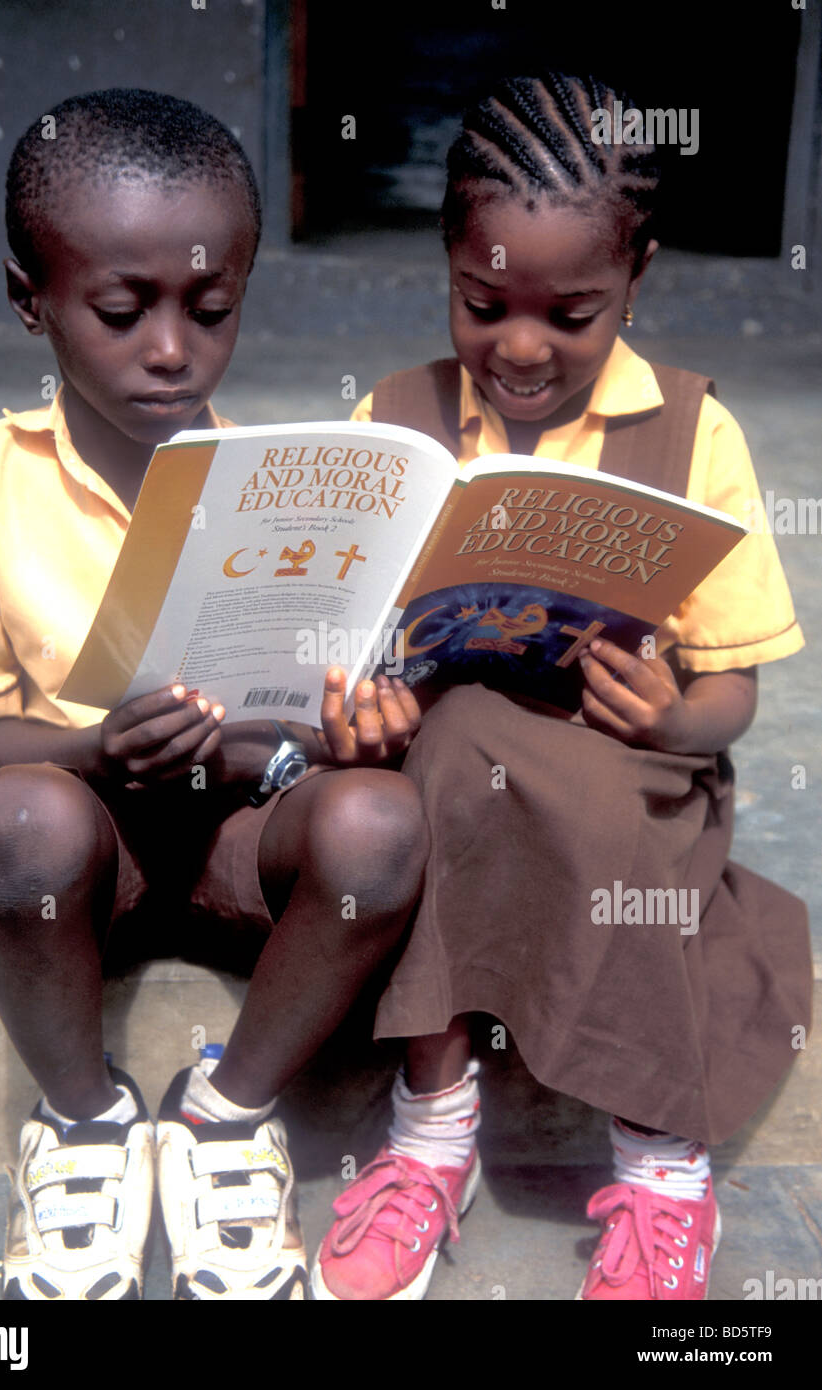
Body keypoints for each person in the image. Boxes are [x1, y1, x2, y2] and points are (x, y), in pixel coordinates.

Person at [0, 88, 427, 1302]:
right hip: (94, 858)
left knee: (381, 822)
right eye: (122, 311)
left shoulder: (292, 485)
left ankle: (228, 1113)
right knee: (21, 817)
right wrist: (96, 748)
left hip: (240, 842)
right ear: (31, 299)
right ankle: (82, 1122)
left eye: (214, 307)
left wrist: (318, 743)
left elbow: (316, 713)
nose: (173, 348)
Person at [311, 72, 812, 1302]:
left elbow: (731, 690)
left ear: (637, 279)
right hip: (451, 764)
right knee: (441, 760)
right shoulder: (400, 415)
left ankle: (660, 1167)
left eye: (572, 312)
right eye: (483, 304)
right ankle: (432, 1138)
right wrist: (356, 703)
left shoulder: (696, 432)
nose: (520, 346)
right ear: (445, 263)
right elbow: (355, 644)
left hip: (628, 772)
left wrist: (676, 712)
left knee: (576, 795)